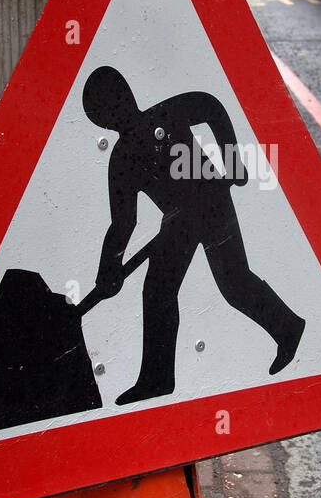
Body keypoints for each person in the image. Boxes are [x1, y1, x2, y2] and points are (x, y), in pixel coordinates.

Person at [82, 66, 305, 406]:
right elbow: (123, 223)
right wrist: (108, 268)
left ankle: (288, 327)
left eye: (113, 103)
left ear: (126, 95)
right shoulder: (122, 159)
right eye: (105, 112)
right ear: (101, 122)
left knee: (233, 283)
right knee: (158, 293)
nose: (114, 114)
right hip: (177, 221)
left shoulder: (165, 114)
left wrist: (232, 160)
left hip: (212, 199)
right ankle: (157, 379)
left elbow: (211, 105)